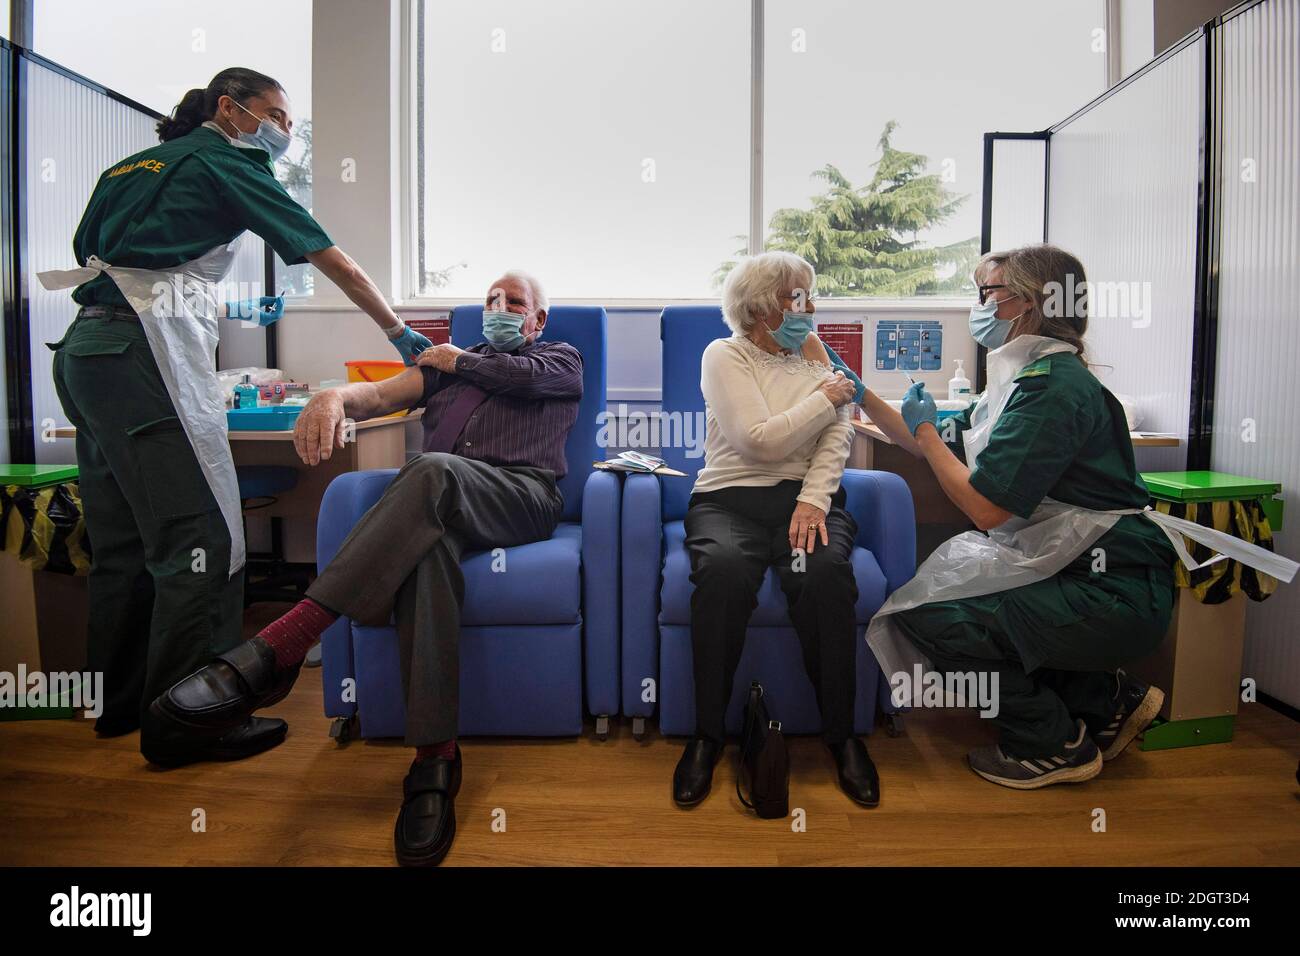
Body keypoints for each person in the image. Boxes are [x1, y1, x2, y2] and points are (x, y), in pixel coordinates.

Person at [41, 68, 433, 768]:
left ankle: (120, 706)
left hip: (83, 353)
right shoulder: (229, 159)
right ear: (230, 108)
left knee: (124, 541)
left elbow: (93, 253)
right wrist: (398, 332)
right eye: (275, 115)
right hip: (143, 350)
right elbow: (328, 257)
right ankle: (191, 722)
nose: (283, 131)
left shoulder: (128, 166)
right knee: (204, 538)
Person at [149, 271, 581, 866]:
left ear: (537, 319)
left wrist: (457, 362)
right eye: (490, 300)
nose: (498, 308)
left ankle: (286, 641)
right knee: (426, 555)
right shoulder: (441, 366)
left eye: (514, 302)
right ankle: (435, 758)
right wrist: (332, 397)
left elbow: (527, 378)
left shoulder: (558, 357)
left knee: (430, 469)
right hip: (441, 510)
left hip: (521, 498)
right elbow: (376, 397)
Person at [849, 244, 1176, 789]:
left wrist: (928, 431)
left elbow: (983, 507)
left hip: (1112, 587)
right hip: (1075, 568)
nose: (980, 305)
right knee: (967, 601)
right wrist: (860, 392)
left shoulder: (1052, 389)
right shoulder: (1021, 381)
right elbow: (922, 445)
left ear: (1028, 302)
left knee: (932, 615)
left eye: (987, 293)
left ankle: (1050, 743)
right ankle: (1107, 701)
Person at [673, 251, 880, 812]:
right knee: (723, 572)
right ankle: (707, 736)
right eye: (798, 297)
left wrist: (813, 500)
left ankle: (843, 737)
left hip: (806, 501)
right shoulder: (724, 355)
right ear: (763, 307)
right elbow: (757, 441)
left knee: (824, 574)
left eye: (809, 296)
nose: (810, 308)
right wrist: (826, 398)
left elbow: (835, 443)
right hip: (727, 501)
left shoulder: (820, 367)